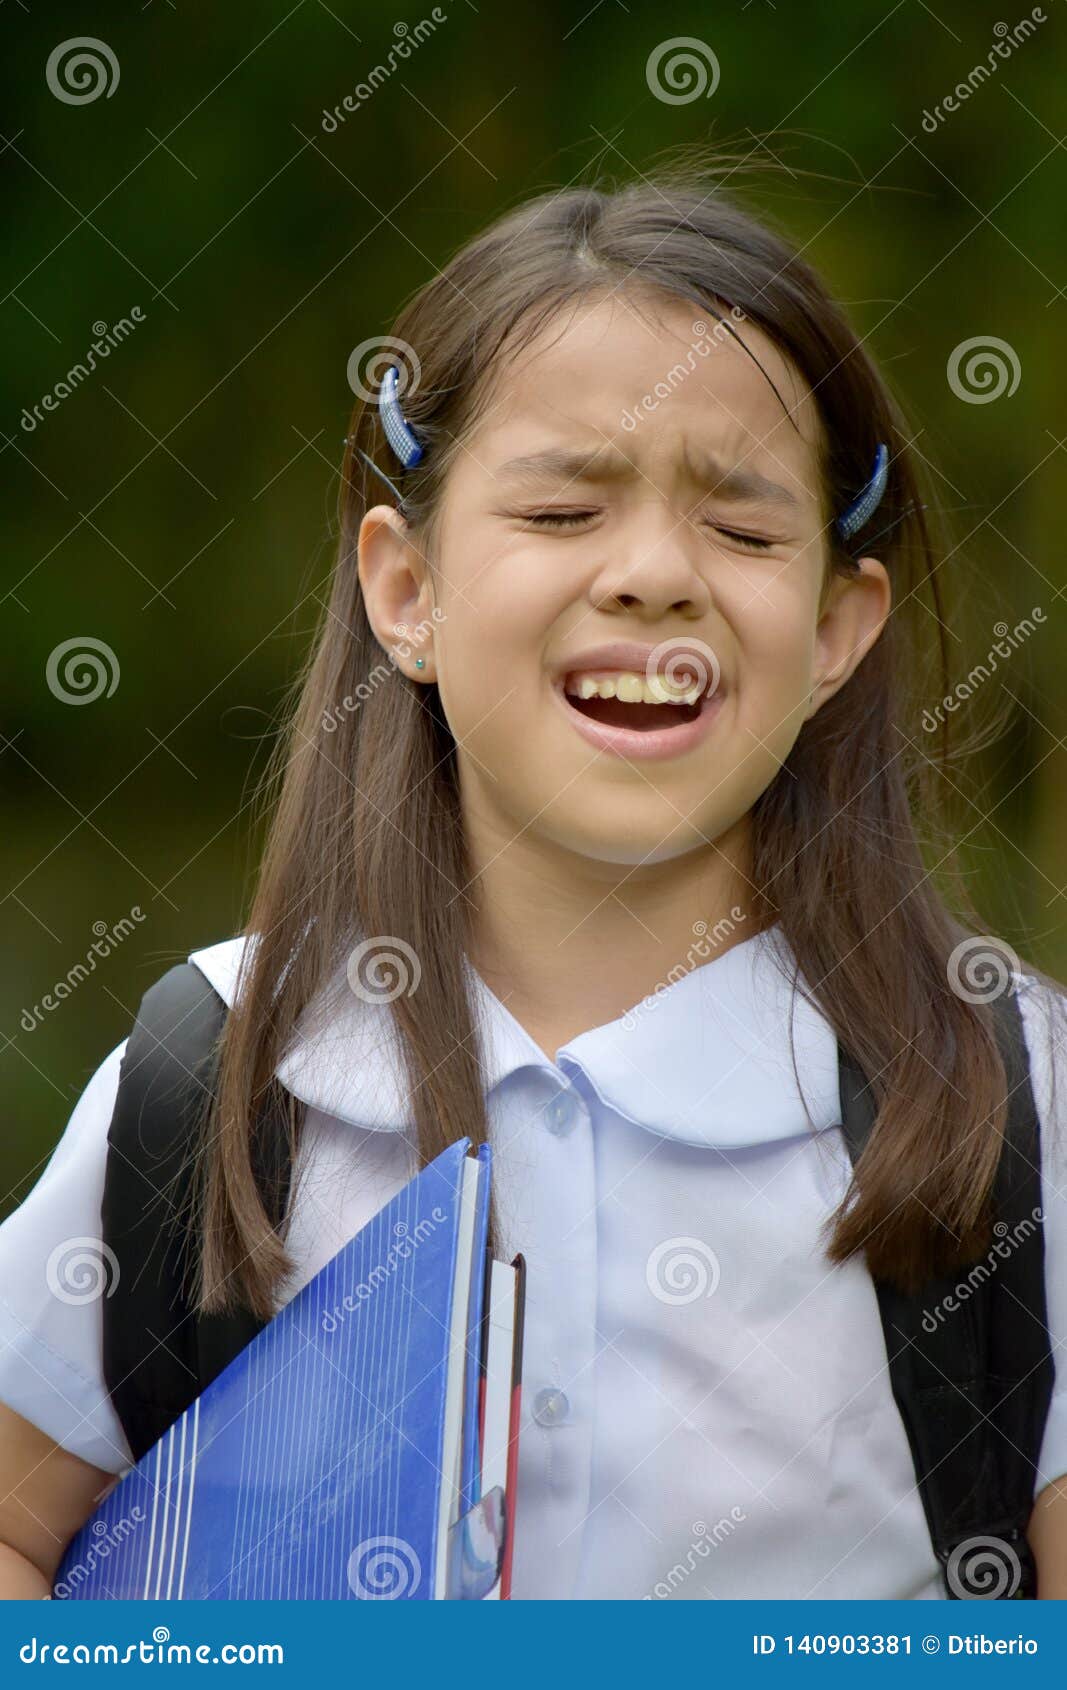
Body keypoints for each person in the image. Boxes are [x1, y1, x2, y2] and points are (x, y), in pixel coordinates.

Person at [2, 151, 1065, 1600]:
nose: (652, 573)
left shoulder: (1013, 1098)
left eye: (743, 527)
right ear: (406, 590)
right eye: (565, 512)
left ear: (837, 625)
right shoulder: (217, 1076)